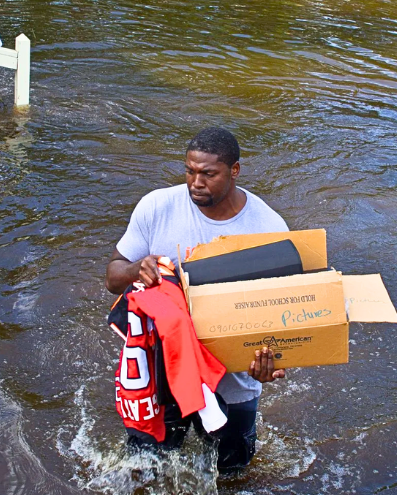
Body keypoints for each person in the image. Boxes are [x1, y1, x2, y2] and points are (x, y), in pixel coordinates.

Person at [106, 126, 288, 472]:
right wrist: (136, 270)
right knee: (147, 466)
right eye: (189, 171)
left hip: (232, 375)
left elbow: (286, 312)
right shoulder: (157, 207)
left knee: (233, 473)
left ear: (234, 171)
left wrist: (275, 361)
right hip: (165, 364)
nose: (195, 183)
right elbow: (113, 277)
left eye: (208, 174)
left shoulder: (269, 230)